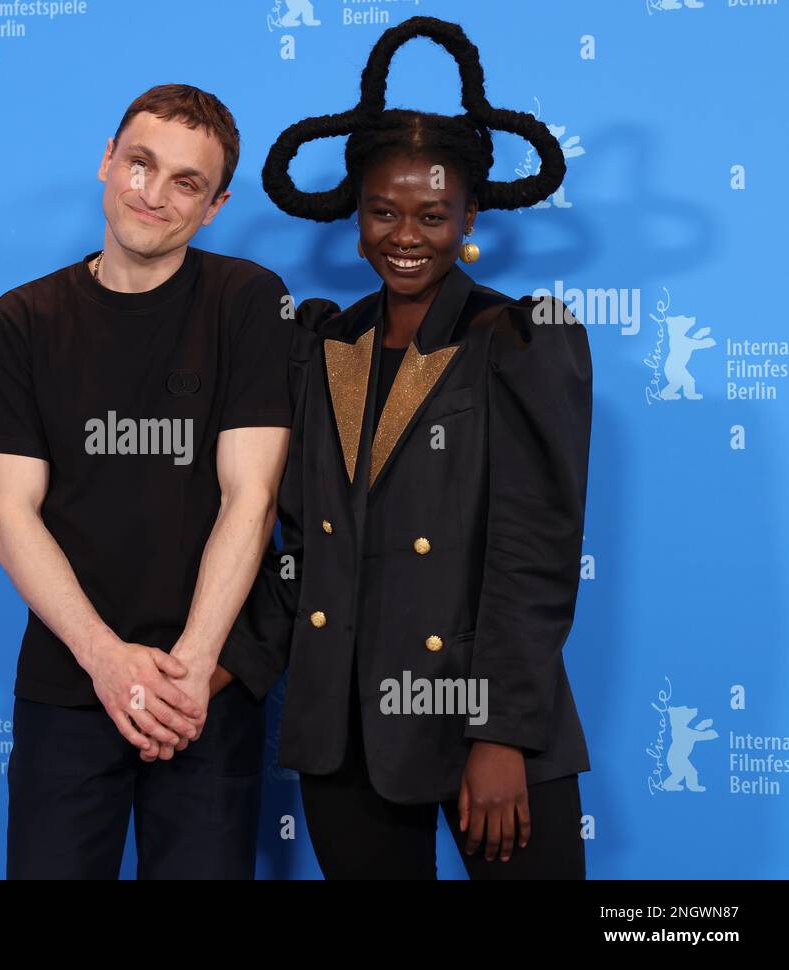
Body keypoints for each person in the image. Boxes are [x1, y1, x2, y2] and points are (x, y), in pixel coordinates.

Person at [219, 17, 593, 879]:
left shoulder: (522, 338)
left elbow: (534, 552)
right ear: (355, 218)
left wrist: (498, 734)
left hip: (484, 727)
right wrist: (225, 668)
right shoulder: (320, 347)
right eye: (384, 211)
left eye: (433, 213)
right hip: (345, 728)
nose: (405, 235)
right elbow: (301, 547)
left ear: (469, 219)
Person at [0, 84, 294, 879]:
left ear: (214, 206)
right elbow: (10, 515)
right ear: (107, 161)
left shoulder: (247, 301)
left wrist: (187, 675)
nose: (154, 193)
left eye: (187, 182)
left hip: (205, 687)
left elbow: (251, 497)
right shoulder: (25, 319)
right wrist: (108, 662)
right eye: (140, 163)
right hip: (69, 681)